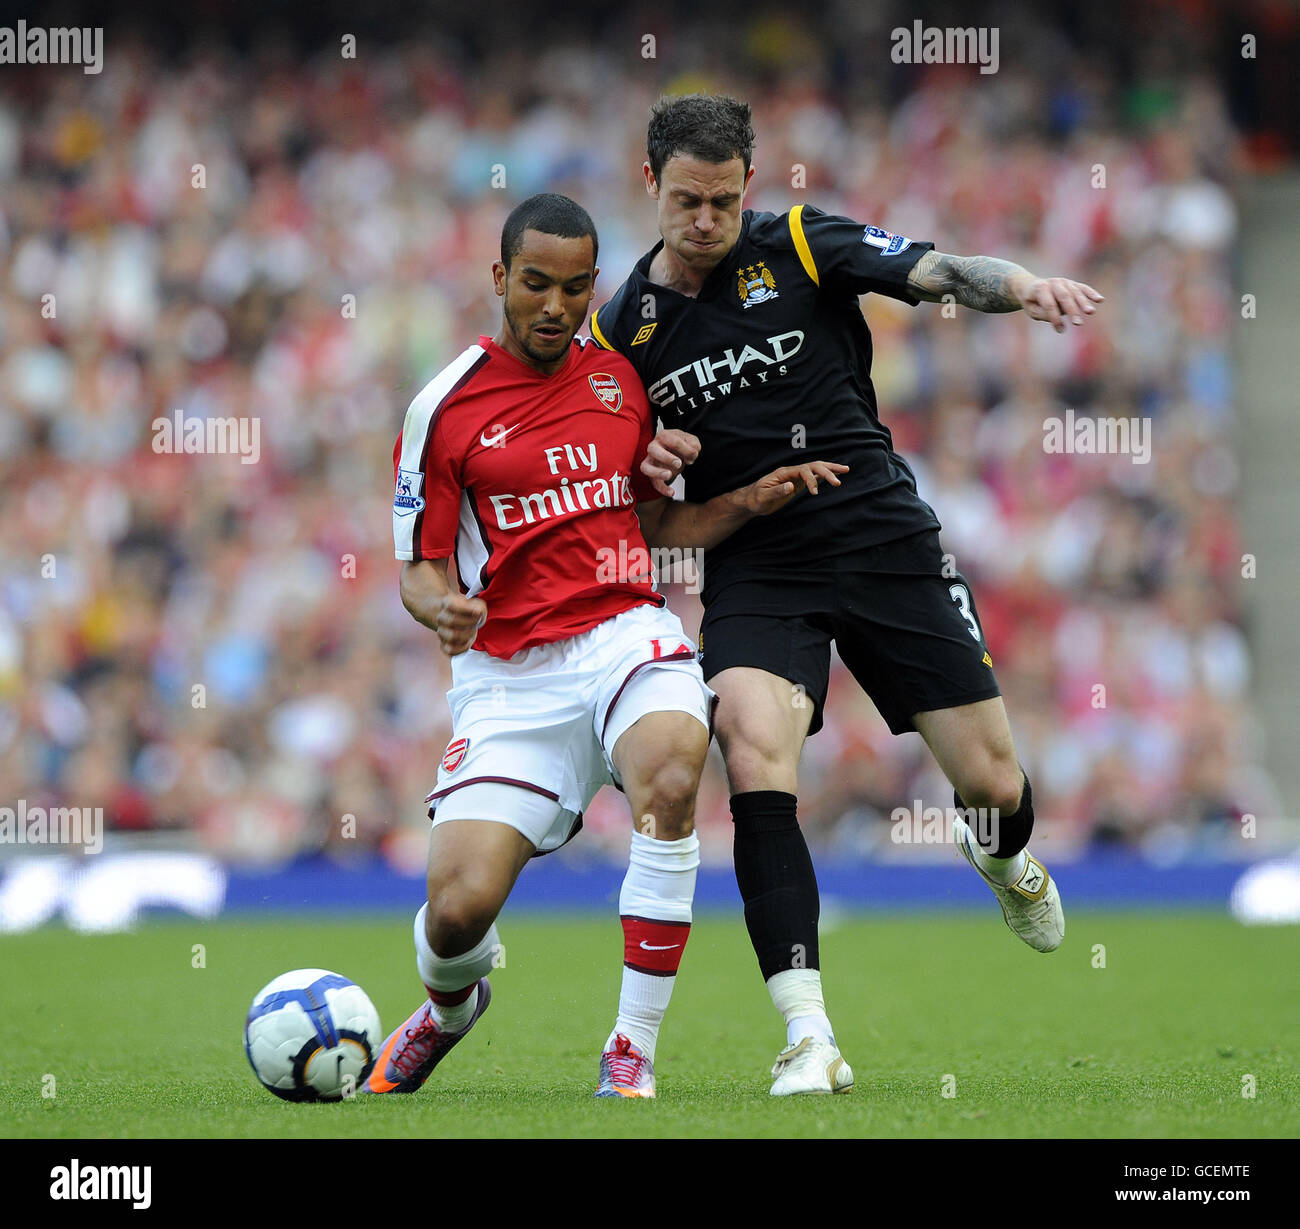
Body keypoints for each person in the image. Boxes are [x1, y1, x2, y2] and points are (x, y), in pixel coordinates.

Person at [589, 94, 1103, 1096]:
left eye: (724, 200)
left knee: (996, 785)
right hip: (758, 560)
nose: (705, 219)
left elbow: (937, 270)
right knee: (749, 747)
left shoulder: (798, 243)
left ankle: (1000, 859)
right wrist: (649, 461)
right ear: (650, 186)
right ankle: (807, 1032)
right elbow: (633, 503)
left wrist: (1023, 285)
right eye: (687, 200)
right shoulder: (623, 330)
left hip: (877, 533)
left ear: (749, 183)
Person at [370, 192, 847, 1099]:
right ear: (500, 277)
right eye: (537, 285)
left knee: (675, 762)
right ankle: (446, 1010)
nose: (557, 306)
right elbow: (420, 571)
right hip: (509, 678)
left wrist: (746, 502)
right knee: (455, 911)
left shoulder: (620, 380)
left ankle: (630, 1050)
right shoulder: (443, 407)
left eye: (578, 287)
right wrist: (442, 612)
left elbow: (658, 525)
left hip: (626, 634)